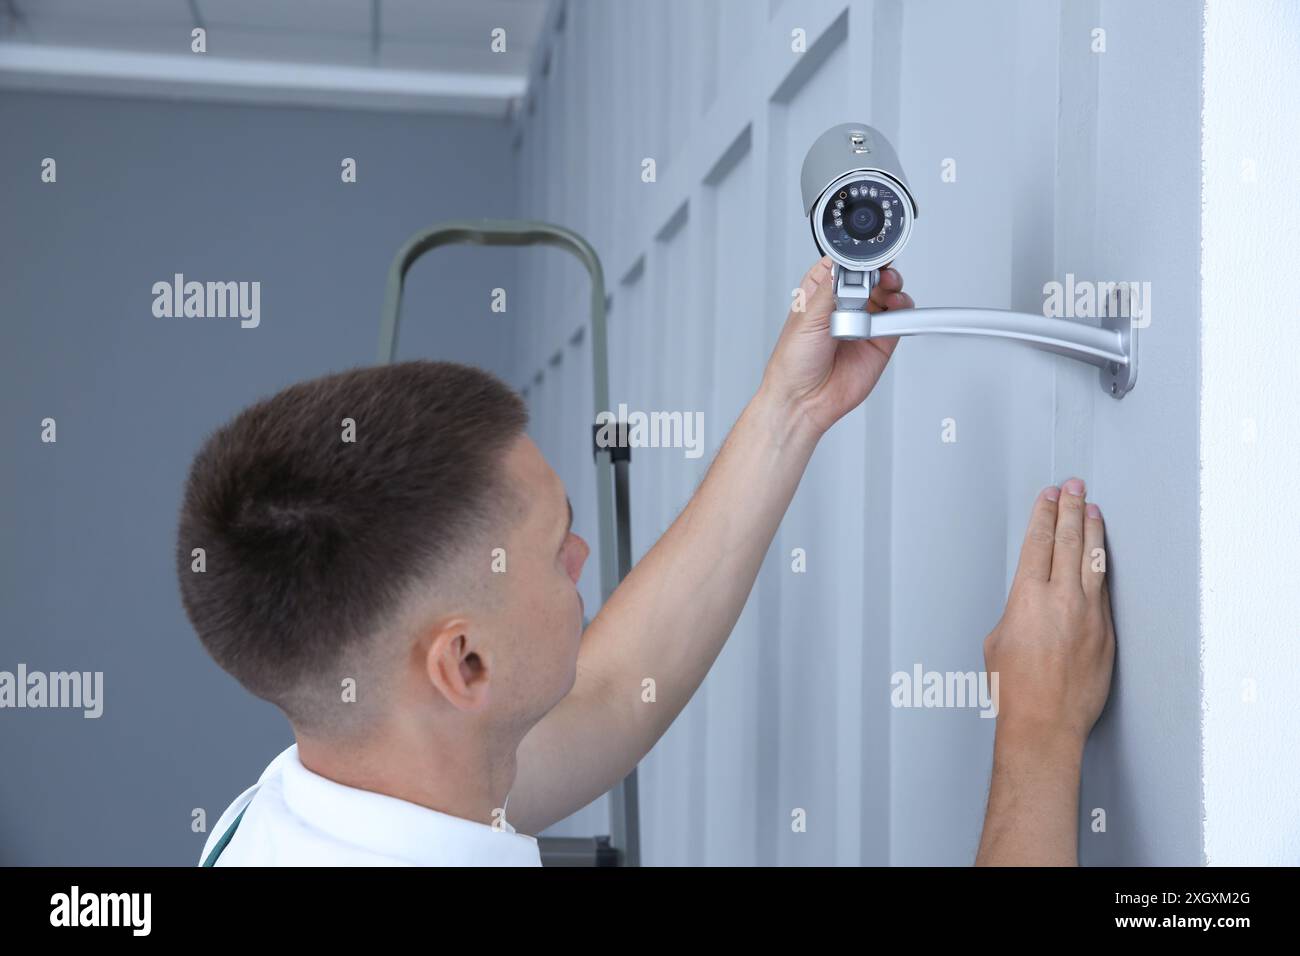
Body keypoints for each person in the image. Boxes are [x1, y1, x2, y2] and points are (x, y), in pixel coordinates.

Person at [181, 256, 1112, 866]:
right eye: (557, 549)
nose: (582, 555)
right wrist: (1039, 730)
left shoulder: (308, 804)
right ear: (463, 663)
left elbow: (613, 687)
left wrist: (789, 414)